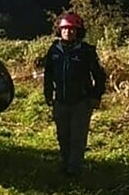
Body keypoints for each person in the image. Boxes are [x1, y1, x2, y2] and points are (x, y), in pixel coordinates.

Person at [42, 12, 107, 176]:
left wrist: (95, 96)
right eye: (64, 29)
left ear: (78, 31)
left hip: (81, 102)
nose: (68, 32)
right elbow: (48, 73)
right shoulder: (54, 50)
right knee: (63, 136)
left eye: (72, 29)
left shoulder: (86, 51)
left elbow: (99, 75)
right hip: (60, 101)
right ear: (59, 31)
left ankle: (74, 171)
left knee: (77, 138)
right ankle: (65, 164)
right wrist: (48, 94)